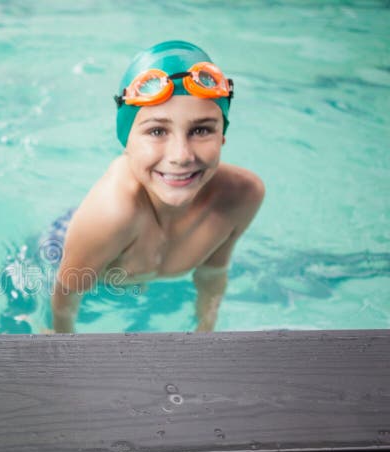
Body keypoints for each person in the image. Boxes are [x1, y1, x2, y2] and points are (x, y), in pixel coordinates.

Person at [51, 40, 264, 333]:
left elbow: (213, 272)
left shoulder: (242, 195)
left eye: (201, 130)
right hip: (59, 251)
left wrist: (206, 329)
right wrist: (63, 340)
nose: (181, 156)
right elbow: (65, 294)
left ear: (222, 137)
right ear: (127, 143)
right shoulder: (111, 214)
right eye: (156, 131)